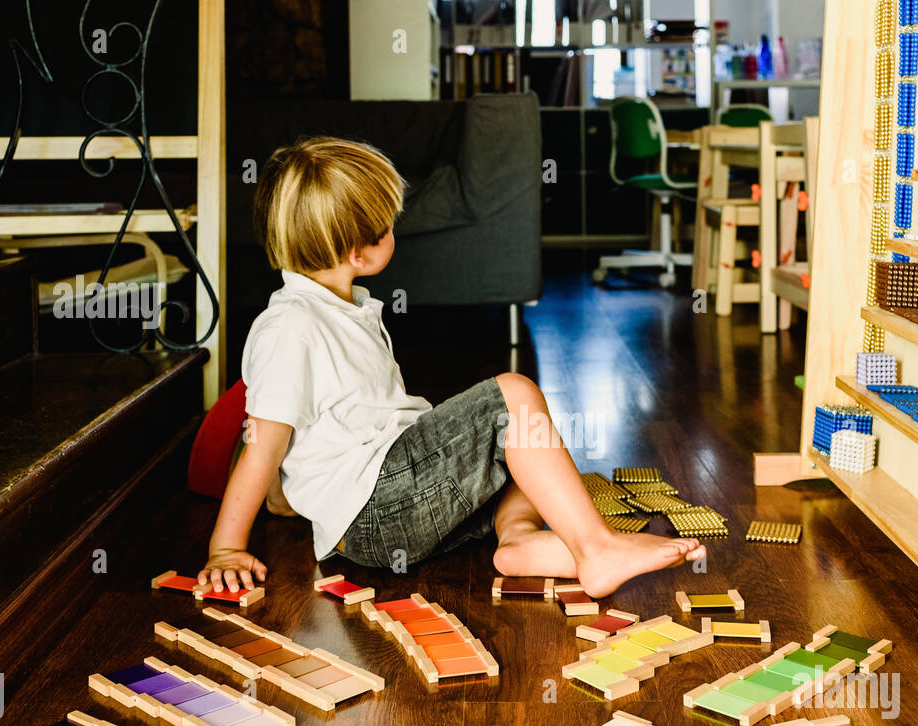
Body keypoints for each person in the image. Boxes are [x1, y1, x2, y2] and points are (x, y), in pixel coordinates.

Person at [198, 137, 704, 598]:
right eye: (387, 226)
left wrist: (288, 500)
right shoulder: (290, 326)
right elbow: (262, 443)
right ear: (357, 251)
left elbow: (304, 433)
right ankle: (596, 549)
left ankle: (520, 543)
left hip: (390, 511)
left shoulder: (342, 306)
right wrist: (225, 547)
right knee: (515, 397)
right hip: (379, 513)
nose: (395, 231)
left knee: (530, 459)